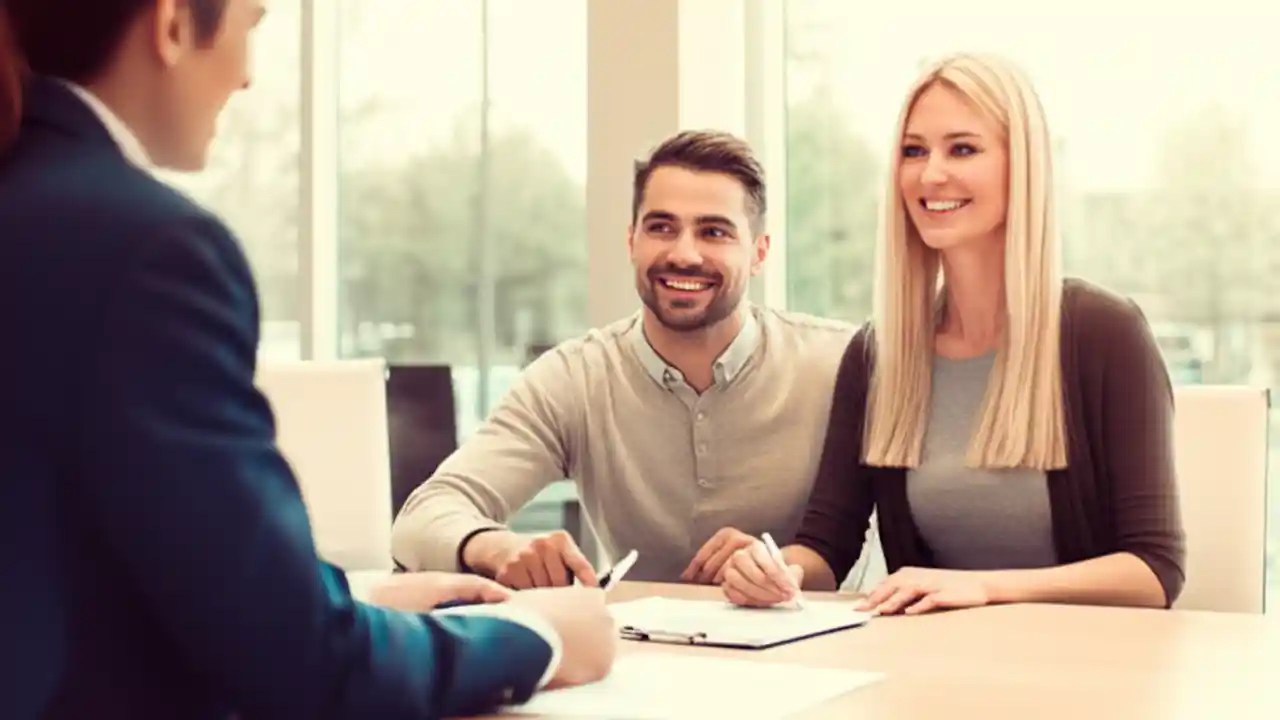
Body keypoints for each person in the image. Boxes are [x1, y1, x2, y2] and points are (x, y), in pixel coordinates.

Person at [0, 1, 614, 717]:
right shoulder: (146, 248)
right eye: (251, 25)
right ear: (171, 24)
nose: (250, 76)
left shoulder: (32, 205)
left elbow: (66, 557)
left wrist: (356, 596)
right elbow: (306, 664)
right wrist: (536, 638)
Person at [721, 53, 1186, 615]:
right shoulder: (878, 354)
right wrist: (777, 570)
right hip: (934, 673)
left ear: (1023, 167)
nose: (930, 173)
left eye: (962, 149)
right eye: (914, 151)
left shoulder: (1104, 333)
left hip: (1082, 676)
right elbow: (828, 545)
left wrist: (988, 587)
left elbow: (1154, 570)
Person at [391, 130, 854, 588]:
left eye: (714, 231)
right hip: (643, 654)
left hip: (824, 650)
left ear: (759, 252)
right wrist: (496, 547)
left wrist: (779, 568)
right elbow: (423, 516)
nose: (684, 253)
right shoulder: (574, 379)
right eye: (662, 227)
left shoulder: (839, 363)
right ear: (632, 241)